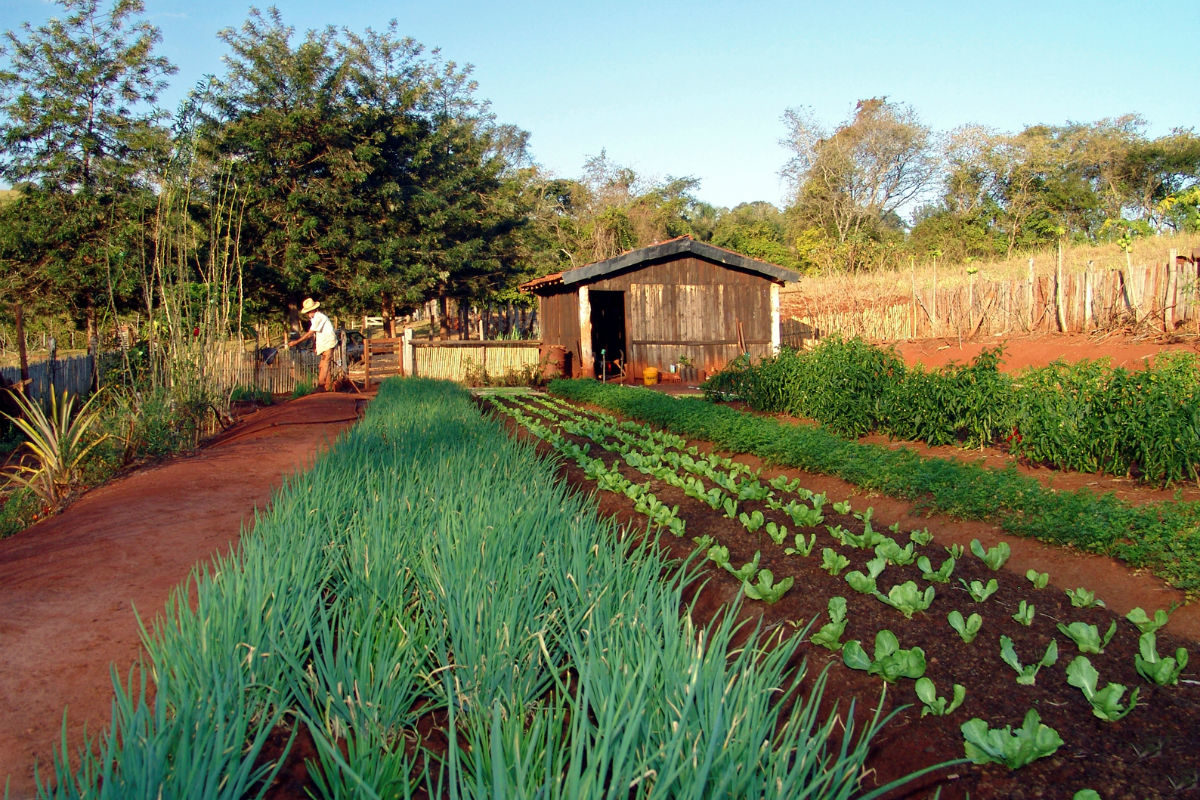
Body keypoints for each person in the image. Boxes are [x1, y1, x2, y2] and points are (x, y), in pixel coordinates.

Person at [287, 297, 337, 391]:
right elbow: (315, 334)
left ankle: (321, 386)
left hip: (329, 341)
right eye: (307, 312)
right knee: (322, 365)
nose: (308, 314)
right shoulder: (314, 319)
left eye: (309, 312)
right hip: (322, 342)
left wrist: (296, 342)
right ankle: (328, 386)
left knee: (325, 362)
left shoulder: (319, 317)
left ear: (314, 310)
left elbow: (310, 333)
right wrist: (315, 345)